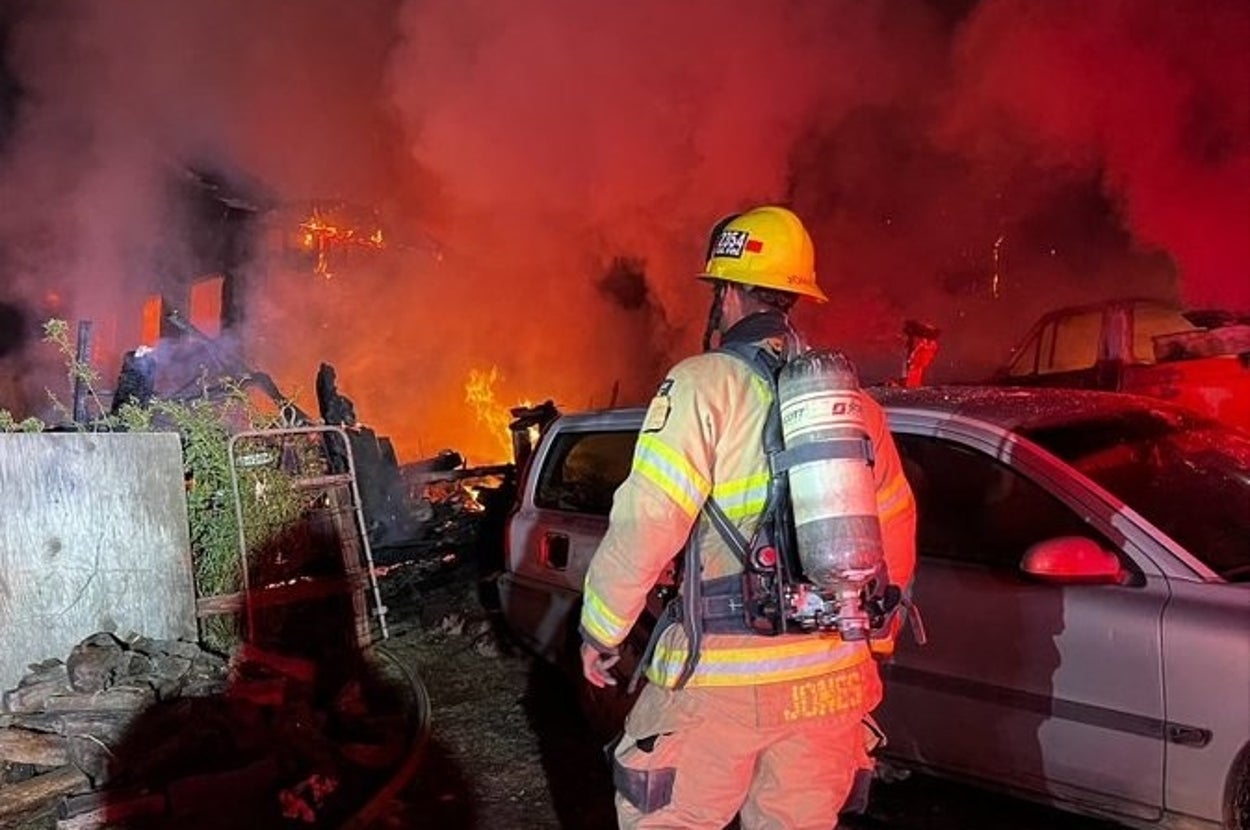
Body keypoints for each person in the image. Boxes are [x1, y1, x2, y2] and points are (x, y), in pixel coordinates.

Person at [579, 205, 917, 829]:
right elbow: (895, 524)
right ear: (796, 296)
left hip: (722, 682)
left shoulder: (703, 385)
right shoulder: (854, 405)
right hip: (833, 682)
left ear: (728, 293)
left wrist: (602, 630)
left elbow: (648, 520)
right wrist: (878, 637)